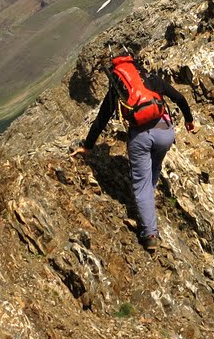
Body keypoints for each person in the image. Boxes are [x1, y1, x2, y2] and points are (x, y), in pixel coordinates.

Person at [73, 49, 197, 251]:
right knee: (154, 168)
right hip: (165, 133)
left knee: (141, 186)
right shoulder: (151, 79)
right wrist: (189, 121)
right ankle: (150, 201)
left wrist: (87, 147)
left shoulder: (118, 90)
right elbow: (180, 98)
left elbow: (101, 120)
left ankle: (149, 233)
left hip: (140, 138)